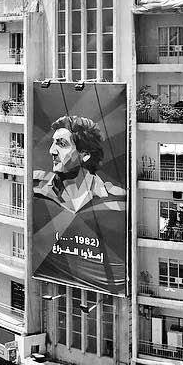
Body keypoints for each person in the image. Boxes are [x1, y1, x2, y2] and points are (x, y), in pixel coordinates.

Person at [32, 114, 126, 291]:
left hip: (99, 285)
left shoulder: (115, 200)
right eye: (53, 143)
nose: (52, 151)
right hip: (51, 277)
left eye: (61, 144)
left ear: (85, 155)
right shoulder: (35, 188)